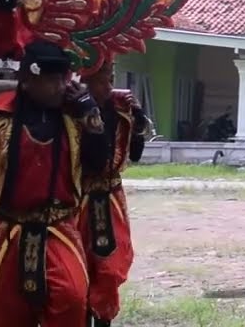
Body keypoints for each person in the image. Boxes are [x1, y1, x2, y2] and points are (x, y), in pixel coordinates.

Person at [0, 39, 110, 327]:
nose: (60, 87)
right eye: (51, 80)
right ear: (28, 80)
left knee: (71, 299)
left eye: (63, 79)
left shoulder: (75, 116)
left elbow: (98, 165)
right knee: (6, 311)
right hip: (5, 229)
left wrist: (90, 112)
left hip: (58, 229)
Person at [78, 61, 150, 327]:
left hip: (110, 198)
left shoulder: (120, 110)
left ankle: (104, 320)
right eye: (101, 80)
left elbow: (136, 154)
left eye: (110, 79)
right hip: (78, 198)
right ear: (84, 81)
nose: (108, 86)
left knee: (109, 268)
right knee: (80, 266)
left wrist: (139, 121)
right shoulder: (72, 112)